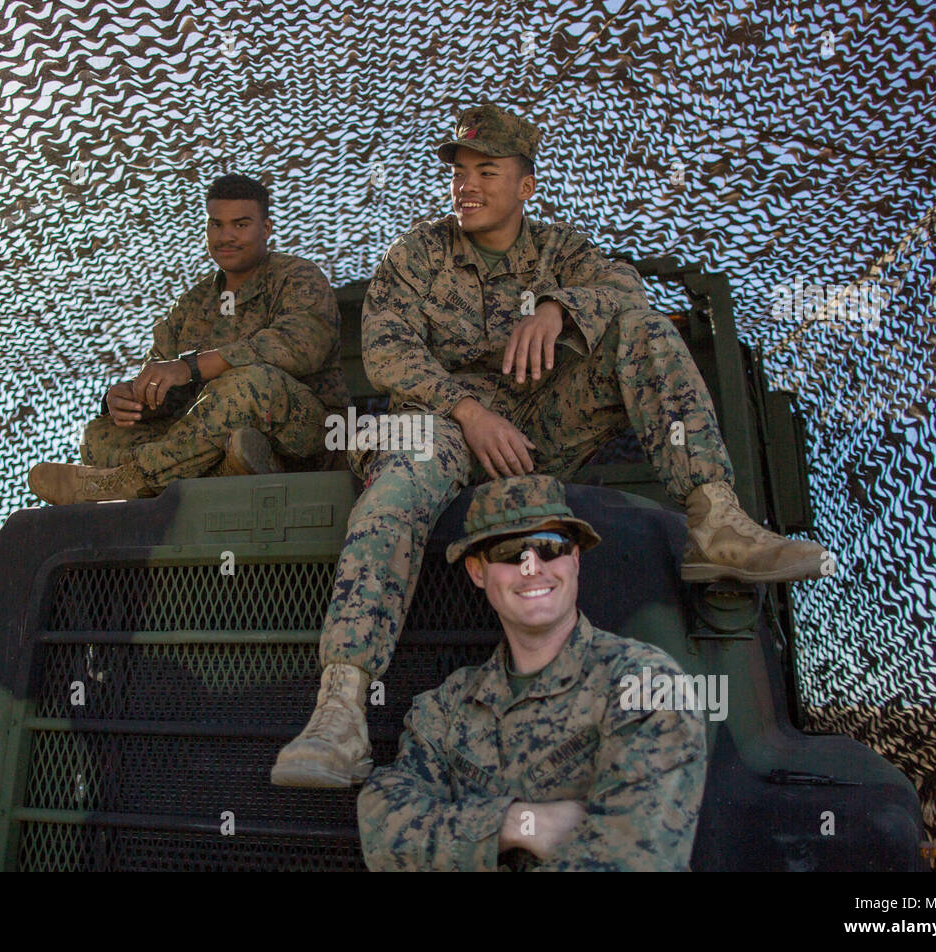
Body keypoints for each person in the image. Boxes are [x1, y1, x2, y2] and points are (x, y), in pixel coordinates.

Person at [270, 104, 826, 788]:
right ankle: (341, 711)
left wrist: (558, 307)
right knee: (399, 479)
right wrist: (469, 412)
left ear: (525, 185)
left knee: (645, 329)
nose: (467, 185)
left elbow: (625, 288)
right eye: (459, 172)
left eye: (487, 171)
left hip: (539, 427)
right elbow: (388, 354)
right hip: (443, 424)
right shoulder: (417, 254)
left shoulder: (560, 250)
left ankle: (716, 518)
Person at [357, 475, 706, 871]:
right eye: (509, 552)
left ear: (575, 559)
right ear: (477, 571)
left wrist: (461, 838)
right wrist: (519, 823)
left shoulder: (643, 685)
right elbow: (382, 828)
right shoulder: (447, 706)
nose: (532, 568)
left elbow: (633, 858)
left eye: (550, 547)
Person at [28, 174, 349, 505]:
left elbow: (300, 346)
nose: (226, 236)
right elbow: (161, 382)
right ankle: (229, 469)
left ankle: (134, 481)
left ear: (266, 229)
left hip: (306, 436)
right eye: (216, 224)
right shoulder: (192, 304)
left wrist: (190, 367)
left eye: (240, 225)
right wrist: (131, 398)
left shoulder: (298, 277)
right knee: (101, 434)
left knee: (248, 383)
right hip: (210, 438)